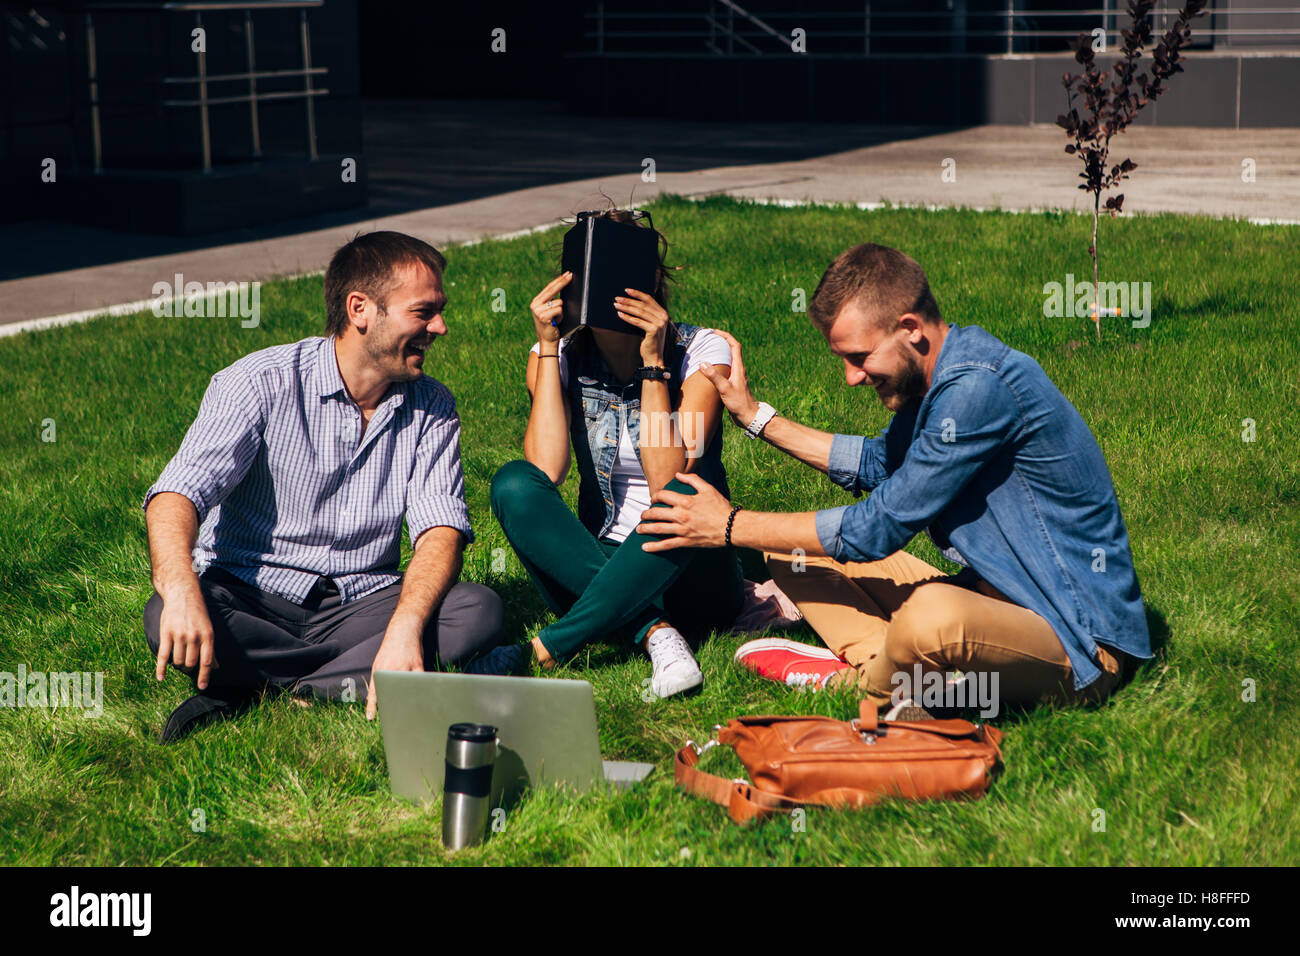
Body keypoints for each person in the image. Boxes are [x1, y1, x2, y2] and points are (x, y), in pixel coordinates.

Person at [635, 242, 1151, 715]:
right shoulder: (937, 372)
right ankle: (890, 665)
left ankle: (868, 686)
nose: (852, 377)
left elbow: (875, 530)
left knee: (930, 613)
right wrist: (757, 418)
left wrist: (727, 526)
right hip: (989, 597)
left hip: (1074, 640)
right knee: (792, 551)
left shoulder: (976, 391)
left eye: (859, 358)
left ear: (910, 328)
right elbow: (881, 464)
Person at [142, 231, 519, 743]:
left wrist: (404, 629)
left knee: (476, 611)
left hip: (361, 606)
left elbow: (440, 530)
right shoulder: (259, 381)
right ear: (360, 309)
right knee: (165, 611)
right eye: (424, 312)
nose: (441, 327)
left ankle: (266, 690)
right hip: (252, 599)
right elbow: (177, 494)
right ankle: (342, 680)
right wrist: (183, 589)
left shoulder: (433, 406)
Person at [490, 209, 744, 698]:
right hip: (601, 558)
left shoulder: (702, 353)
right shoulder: (559, 358)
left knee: (685, 489)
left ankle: (540, 650)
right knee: (511, 483)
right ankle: (657, 633)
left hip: (691, 568)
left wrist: (653, 366)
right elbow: (545, 470)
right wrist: (547, 347)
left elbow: (668, 482)